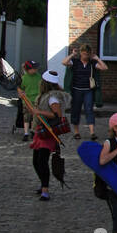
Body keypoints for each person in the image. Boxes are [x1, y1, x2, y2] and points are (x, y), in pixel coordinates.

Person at [29, 71, 71, 201]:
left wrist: (39, 112)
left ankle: (45, 190)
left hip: (48, 133)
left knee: (42, 161)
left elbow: (57, 115)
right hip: (40, 131)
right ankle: (43, 185)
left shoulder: (52, 98)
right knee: (36, 161)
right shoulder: (45, 96)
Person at [62, 42, 107, 141]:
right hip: (76, 90)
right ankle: (76, 132)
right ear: (81, 53)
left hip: (88, 91)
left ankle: (92, 132)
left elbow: (104, 67)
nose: (85, 56)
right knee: (75, 110)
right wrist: (72, 55)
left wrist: (97, 59)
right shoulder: (75, 61)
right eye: (83, 53)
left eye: (87, 54)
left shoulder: (92, 63)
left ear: (90, 54)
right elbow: (64, 62)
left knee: (89, 110)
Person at [16, 59, 42, 141]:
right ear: (28, 70)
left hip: (37, 100)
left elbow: (42, 86)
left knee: (35, 117)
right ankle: (26, 133)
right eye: (34, 68)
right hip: (27, 101)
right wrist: (21, 93)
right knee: (26, 117)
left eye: (36, 68)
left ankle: (33, 131)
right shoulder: (24, 78)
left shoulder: (39, 76)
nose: (36, 69)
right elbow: (20, 88)